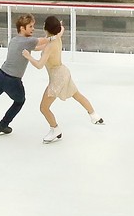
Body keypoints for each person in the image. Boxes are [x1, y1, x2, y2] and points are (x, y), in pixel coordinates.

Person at [21, 15, 105, 143]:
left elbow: (39, 65)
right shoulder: (56, 37)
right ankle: (94, 115)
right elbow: (60, 31)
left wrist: (28, 56)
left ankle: (55, 129)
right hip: (64, 72)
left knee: (43, 107)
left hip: (57, 77)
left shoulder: (50, 45)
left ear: (45, 28)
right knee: (77, 95)